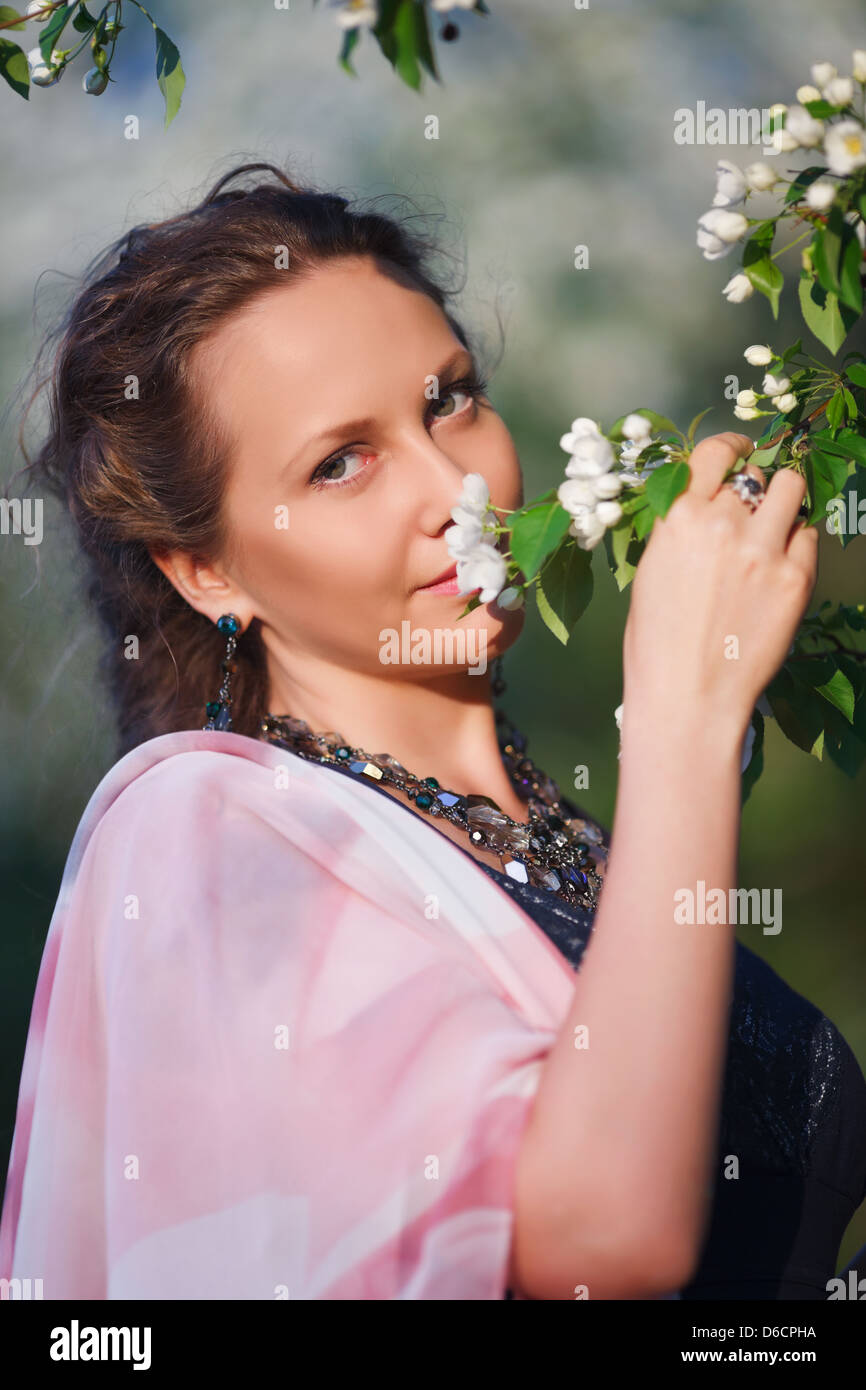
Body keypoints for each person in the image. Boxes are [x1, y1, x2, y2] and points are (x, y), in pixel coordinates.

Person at [1, 161, 864, 1301]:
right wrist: (679, 714)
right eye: (339, 463)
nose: (452, 490)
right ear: (204, 568)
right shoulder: (200, 836)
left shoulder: (560, 841)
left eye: (447, 399)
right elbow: (599, 1242)